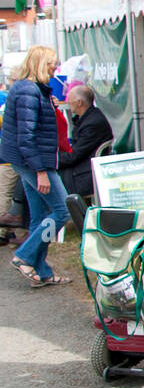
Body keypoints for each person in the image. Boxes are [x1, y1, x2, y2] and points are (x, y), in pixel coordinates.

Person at [1, 46, 73, 287]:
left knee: (40, 216)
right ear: (42, 63)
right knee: (62, 211)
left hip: (28, 160)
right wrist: (41, 171)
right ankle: (24, 256)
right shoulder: (29, 92)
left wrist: (50, 104)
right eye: (53, 63)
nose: (56, 67)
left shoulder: (29, 89)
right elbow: (27, 137)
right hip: (33, 162)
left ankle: (41, 272)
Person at [59, 84, 113, 201]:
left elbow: (74, 155)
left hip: (84, 174)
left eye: (70, 100)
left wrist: (52, 159)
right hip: (83, 166)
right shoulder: (89, 118)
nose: (68, 102)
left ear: (79, 102)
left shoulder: (92, 123)